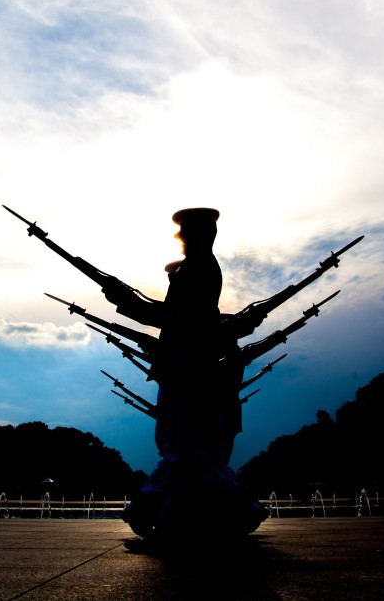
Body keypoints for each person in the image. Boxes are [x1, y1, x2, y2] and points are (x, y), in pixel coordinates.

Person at [104, 208, 267, 542]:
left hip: (187, 368)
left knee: (186, 447)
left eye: (185, 232)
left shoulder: (201, 268)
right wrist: (127, 301)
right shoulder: (199, 267)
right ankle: (173, 511)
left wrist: (124, 302)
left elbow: (174, 319)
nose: (179, 238)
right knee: (184, 446)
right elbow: (173, 315)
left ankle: (183, 512)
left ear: (200, 235)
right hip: (188, 367)